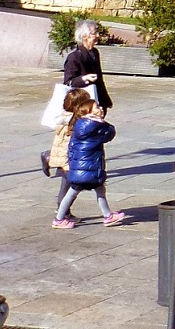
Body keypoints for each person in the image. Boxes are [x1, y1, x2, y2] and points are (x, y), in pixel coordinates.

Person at [53, 90, 128, 227]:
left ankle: (107, 215)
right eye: (97, 108)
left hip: (81, 168)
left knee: (90, 191)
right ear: (89, 113)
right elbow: (109, 134)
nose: (100, 109)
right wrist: (105, 123)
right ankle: (59, 219)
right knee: (77, 193)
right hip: (89, 169)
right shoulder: (95, 126)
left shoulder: (81, 125)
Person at [63, 19, 113, 111]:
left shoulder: (95, 52)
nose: (98, 35)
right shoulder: (74, 57)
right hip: (83, 104)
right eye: (94, 33)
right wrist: (84, 79)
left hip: (97, 100)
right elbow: (68, 82)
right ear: (85, 36)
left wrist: (105, 100)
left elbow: (100, 79)